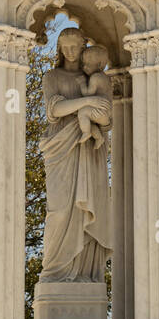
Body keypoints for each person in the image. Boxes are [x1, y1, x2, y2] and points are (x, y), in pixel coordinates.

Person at [38, 27, 112, 282]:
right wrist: (85, 103)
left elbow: (107, 114)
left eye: (75, 47)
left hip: (90, 149)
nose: (70, 52)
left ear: (83, 48)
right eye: (65, 47)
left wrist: (95, 114)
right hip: (60, 147)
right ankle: (55, 272)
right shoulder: (52, 76)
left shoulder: (95, 77)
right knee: (59, 210)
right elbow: (55, 109)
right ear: (59, 49)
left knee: (89, 210)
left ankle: (84, 273)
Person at [77, 43, 112, 148]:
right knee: (88, 120)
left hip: (101, 111)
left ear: (99, 65)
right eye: (84, 64)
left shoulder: (95, 77)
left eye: (88, 64)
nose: (85, 67)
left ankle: (87, 132)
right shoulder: (106, 77)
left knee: (82, 113)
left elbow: (88, 94)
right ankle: (98, 137)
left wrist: (82, 83)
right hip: (107, 113)